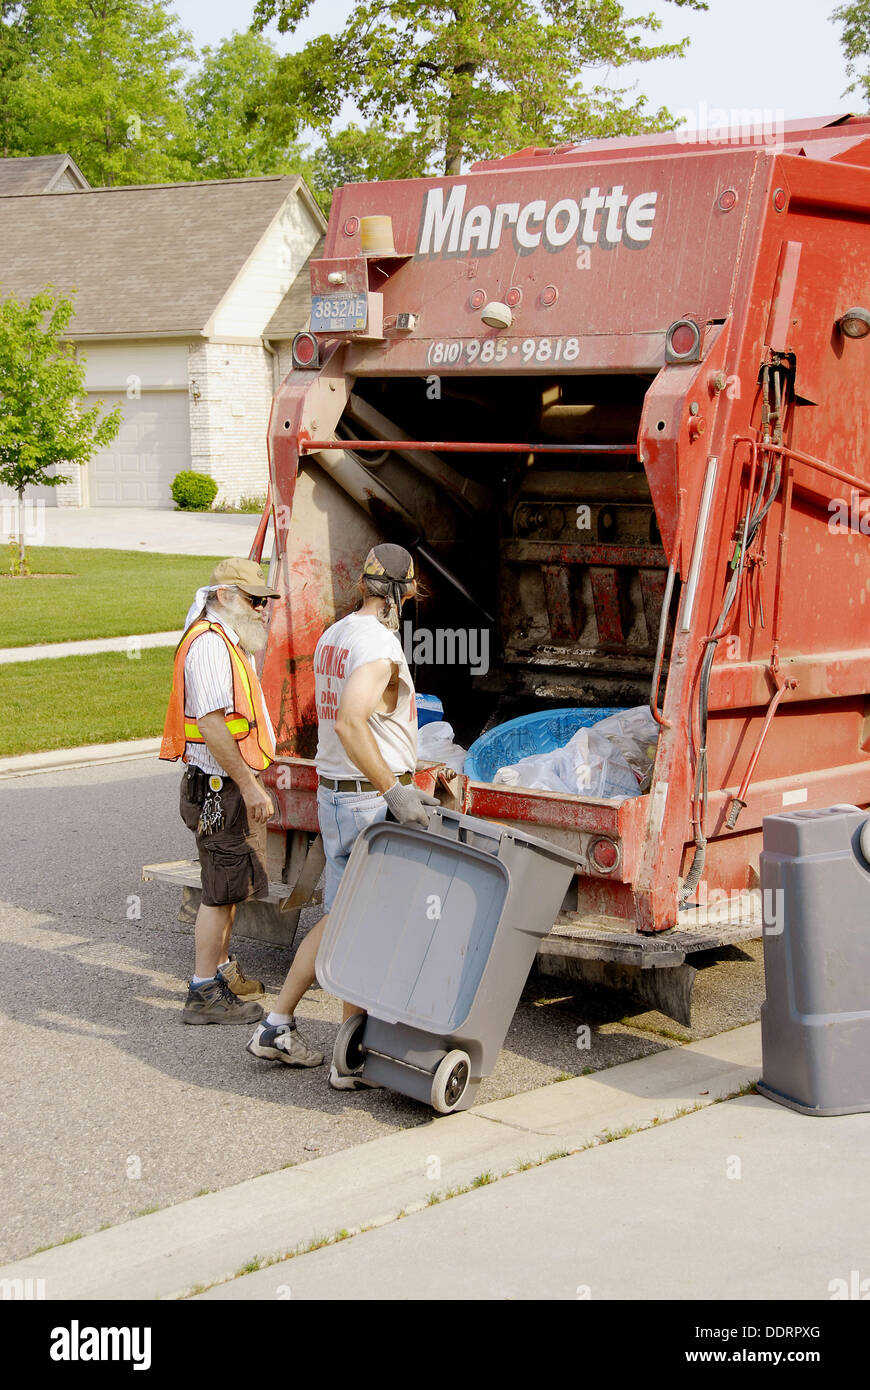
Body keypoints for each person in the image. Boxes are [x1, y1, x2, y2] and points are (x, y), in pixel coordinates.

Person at [247, 542, 438, 1085]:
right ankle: (282, 1026)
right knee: (354, 921)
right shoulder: (379, 646)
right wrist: (395, 791)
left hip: (337, 794)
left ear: (363, 584)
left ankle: (346, 1052)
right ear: (403, 593)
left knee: (353, 922)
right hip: (367, 801)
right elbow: (352, 722)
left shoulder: (336, 634)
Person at [160, 557, 305, 1034]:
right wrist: (248, 784)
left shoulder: (228, 639)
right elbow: (211, 724)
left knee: (230, 886)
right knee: (219, 892)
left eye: (265, 600)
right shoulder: (209, 645)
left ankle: (221, 972)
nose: (263, 608)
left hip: (224, 786)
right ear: (223, 596)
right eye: (254, 600)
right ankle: (203, 992)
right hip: (220, 788)